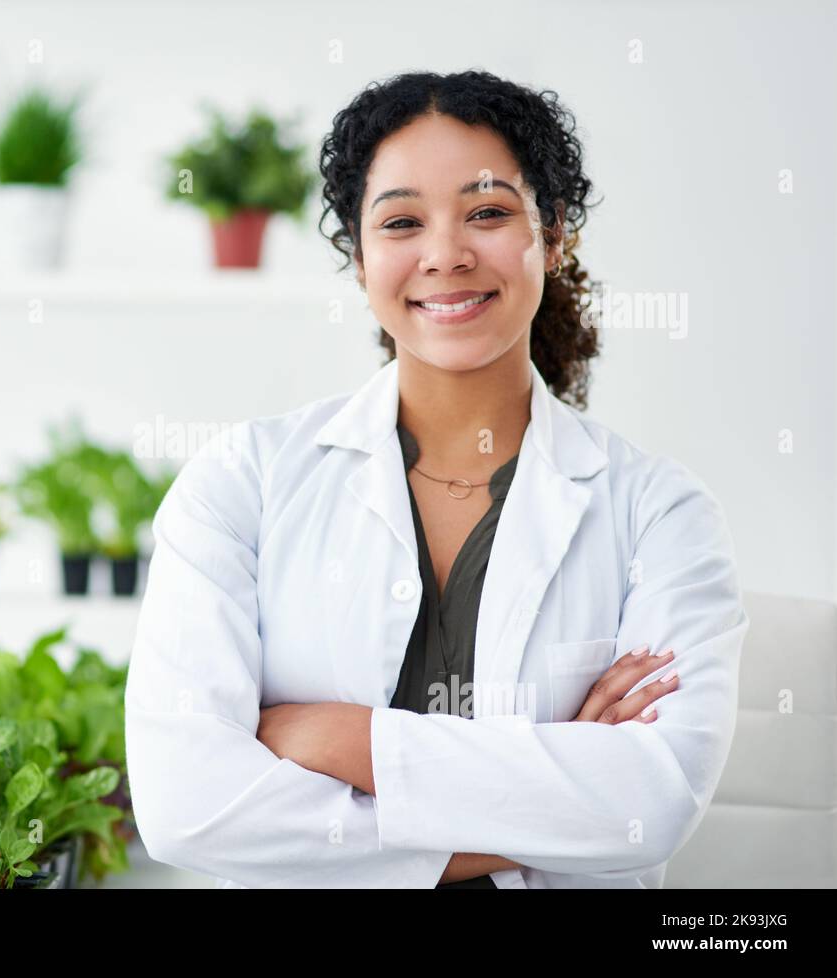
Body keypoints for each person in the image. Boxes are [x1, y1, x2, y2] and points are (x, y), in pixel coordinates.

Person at [123, 69, 748, 888]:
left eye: (488, 212)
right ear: (358, 256)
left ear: (553, 236)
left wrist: (338, 738)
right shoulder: (244, 483)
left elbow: (654, 801)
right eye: (402, 221)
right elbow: (185, 806)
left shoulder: (659, 513)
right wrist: (557, 798)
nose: (446, 254)